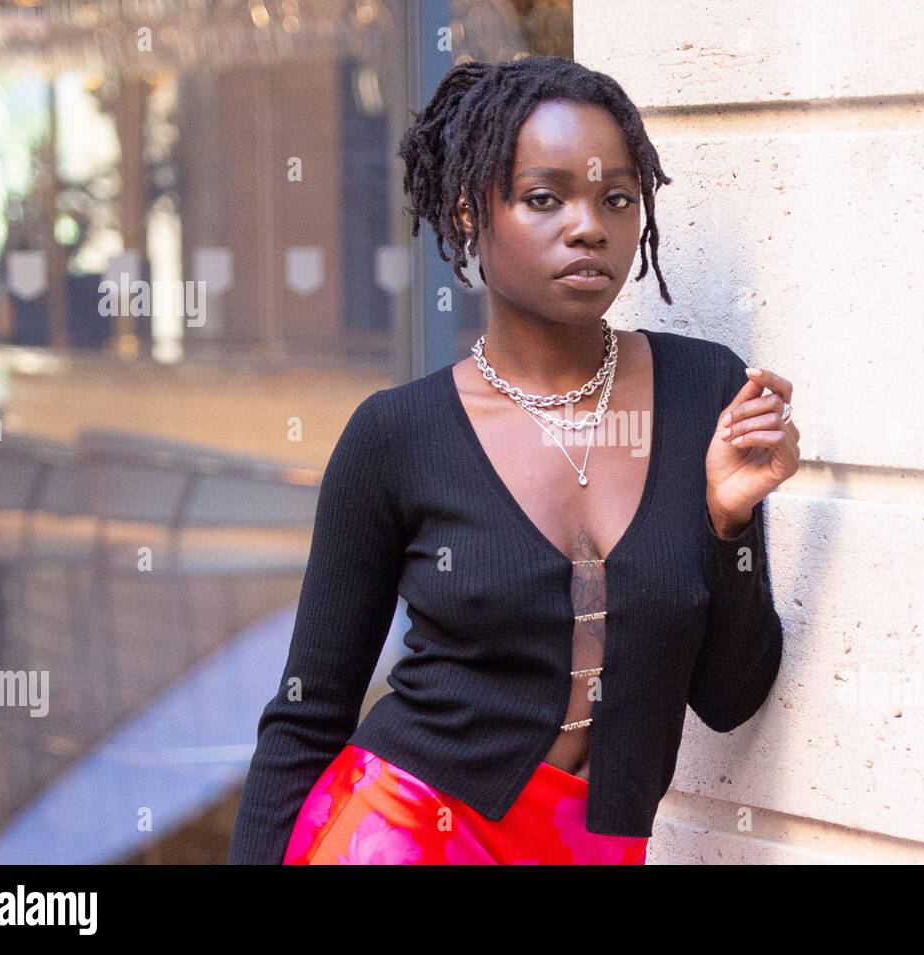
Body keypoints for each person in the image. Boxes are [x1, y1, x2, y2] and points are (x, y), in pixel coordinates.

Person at [227, 54, 799, 865]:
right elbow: (306, 711)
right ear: (468, 215)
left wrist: (727, 520)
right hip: (403, 831)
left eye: (616, 197)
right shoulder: (396, 434)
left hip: (588, 848)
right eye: (543, 197)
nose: (588, 225)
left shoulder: (702, 388)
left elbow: (732, 697)